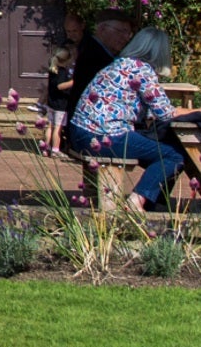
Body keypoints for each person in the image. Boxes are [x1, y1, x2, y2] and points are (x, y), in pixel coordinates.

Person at [64, 14, 191, 209]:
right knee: (174, 155)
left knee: (158, 152)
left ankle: (153, 203)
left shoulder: (120, 64)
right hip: (104, 136)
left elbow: (148, 113)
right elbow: (165, 114)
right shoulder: (141, 69)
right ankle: (137, 201)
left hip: (81, 133)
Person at [45, 11, 113, 117]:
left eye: (75, 31)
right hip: (67, 97)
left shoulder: (91, 46)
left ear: (82, 26)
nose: (72, 35)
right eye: (68, 31)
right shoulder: (66, 44)